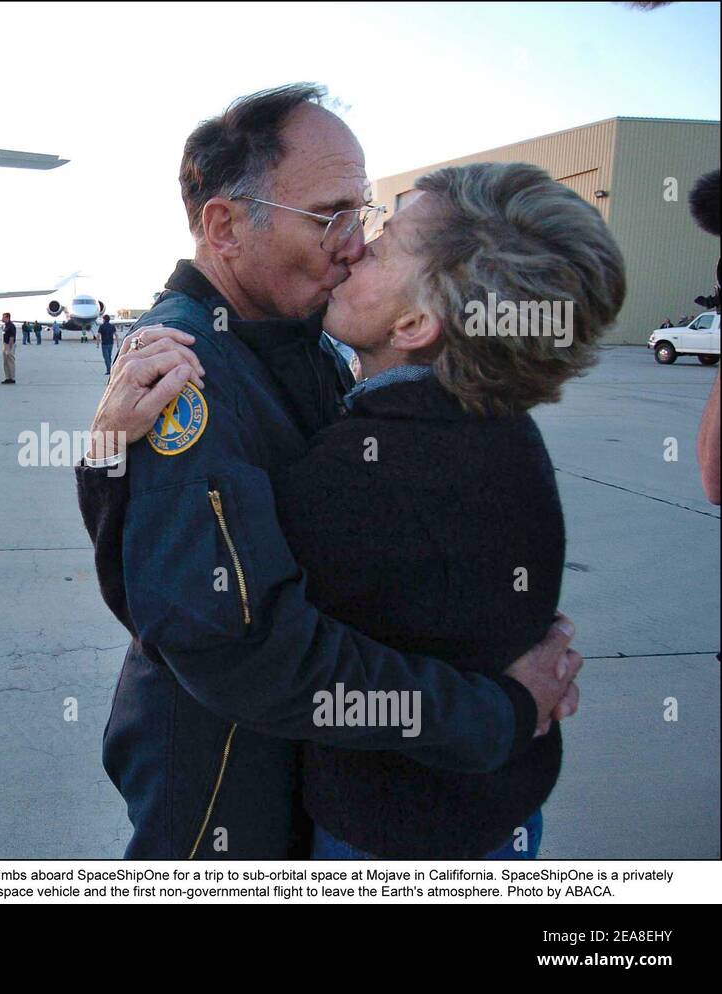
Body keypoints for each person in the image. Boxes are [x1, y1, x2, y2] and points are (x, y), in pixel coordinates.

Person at [74, 84, 580, 859]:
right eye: (331, 214)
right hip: (229, 776)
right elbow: (239, 645)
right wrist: (496, 711)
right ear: (226, 225)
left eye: (365, 214)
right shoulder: (183, 370)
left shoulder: (303, 340)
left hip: (318, 763)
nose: (354, 241)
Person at [1, 312, 17, 384]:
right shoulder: (6, 326)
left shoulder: (11, 326)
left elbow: (12, 337)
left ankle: (12, 378)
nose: (2, 318)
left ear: (7, 317)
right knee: (5, 362)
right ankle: (7, 377)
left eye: (3, 317)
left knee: (10, 361)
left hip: (9, 345)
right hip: (5, 345)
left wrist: (9, 348)